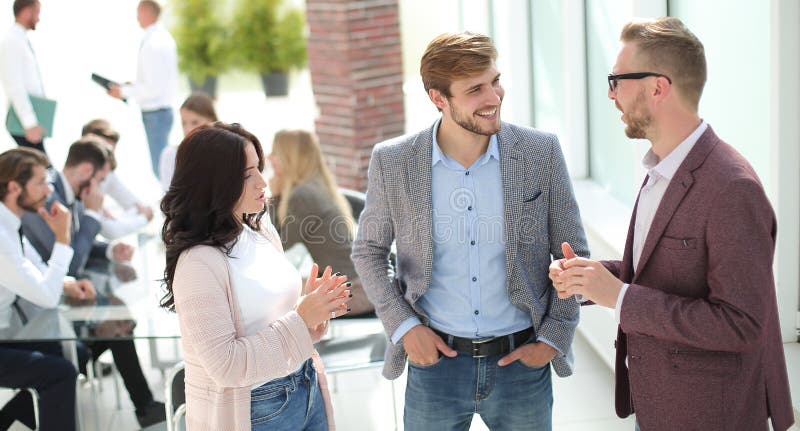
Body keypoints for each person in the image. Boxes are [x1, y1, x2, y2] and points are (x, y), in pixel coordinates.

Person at [551, 17, 794, 431]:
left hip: (712, 414)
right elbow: (662, 275)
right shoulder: (660, 170)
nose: (611, 94)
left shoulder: (732, 188)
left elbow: (742, 323)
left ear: (657, 87)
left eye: (617, 80)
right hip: (662, 406)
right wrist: (589, 279)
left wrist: (621, 298)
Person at [351, 32, 588, 430]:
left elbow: (574, 257)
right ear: (438, 98)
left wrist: (554, 337)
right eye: (475, 89)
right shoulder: (394, 162)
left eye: (495, 81)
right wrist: (405, 328)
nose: (493, 97)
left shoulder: (540, 152)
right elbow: (369, 251)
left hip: (522, 364)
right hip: (435, 364)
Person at [161, 122, 352, 430]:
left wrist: (312, 314)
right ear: (216, 182)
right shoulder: (197, 264)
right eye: (248, 174)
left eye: (259, 168)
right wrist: (300, 320)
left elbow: (273, 323)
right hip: (257, 409)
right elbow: (226, 366)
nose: (263, 181)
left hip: (305, 384)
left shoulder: (261, 231)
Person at [20, 138, 165, 427]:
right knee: (117, 323)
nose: (99, 189)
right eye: (99, 180)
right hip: (38, 306)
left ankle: (144, 406)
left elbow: (72, 243)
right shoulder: (48, 198)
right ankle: (145, 407)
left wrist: (110, 249)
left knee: (119, 321)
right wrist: (92, 214)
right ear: (87, 170)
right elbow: (68, 261)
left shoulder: (64, 192)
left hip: (62, 292)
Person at [0, 147, 94, 431]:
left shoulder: (10, 224)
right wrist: (62, 238)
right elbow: (47, 297)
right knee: (60, 372)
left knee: (76, 353)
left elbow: (38, 271)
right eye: (40, 182)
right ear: (15, 187)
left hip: (7, 334)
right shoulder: (1, 235)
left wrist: (68, 283)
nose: (49, 188)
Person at [268, 129, 373, 315]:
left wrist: (275, 197)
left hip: (351, 293)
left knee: (271, 290)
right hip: (357, 284)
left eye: (275, 152)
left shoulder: (302, 196)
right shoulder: (317, 185)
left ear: (289, 157)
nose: (270, 158)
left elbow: (277, 243)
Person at [108, 0, 178, 177]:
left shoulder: (153, 43)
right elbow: (155, 81)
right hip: (161, 110)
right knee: (163, 164)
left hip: (156, 112)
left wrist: (123, 92)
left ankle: (173, 203)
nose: (136, 17)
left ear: (147, 11)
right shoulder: (162, 38)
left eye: (138, 12)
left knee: (161, 167)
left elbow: (153, 87)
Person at [82, 119, 154, 239]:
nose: (109, 159)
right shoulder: (83, 184)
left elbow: (132, 201)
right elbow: (110, 231)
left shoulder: (107, 173)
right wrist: (143, 218)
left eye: (111, 152)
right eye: (103, 152)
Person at [0, 0, 47, 154]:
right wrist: (29, 123)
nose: (39, 18)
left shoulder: (21, 40)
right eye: (37, 13)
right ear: (26, 11)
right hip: (23, 123)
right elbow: (14, 85)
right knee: (43, 170)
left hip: (29, 121)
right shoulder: (12, 41)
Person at [158, 92, 217, 191]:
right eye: (183, 123)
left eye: (195, 122)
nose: (188, 129)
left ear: (211, 121)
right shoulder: (171, 154)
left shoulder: (226, 151)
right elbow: (168, 195)